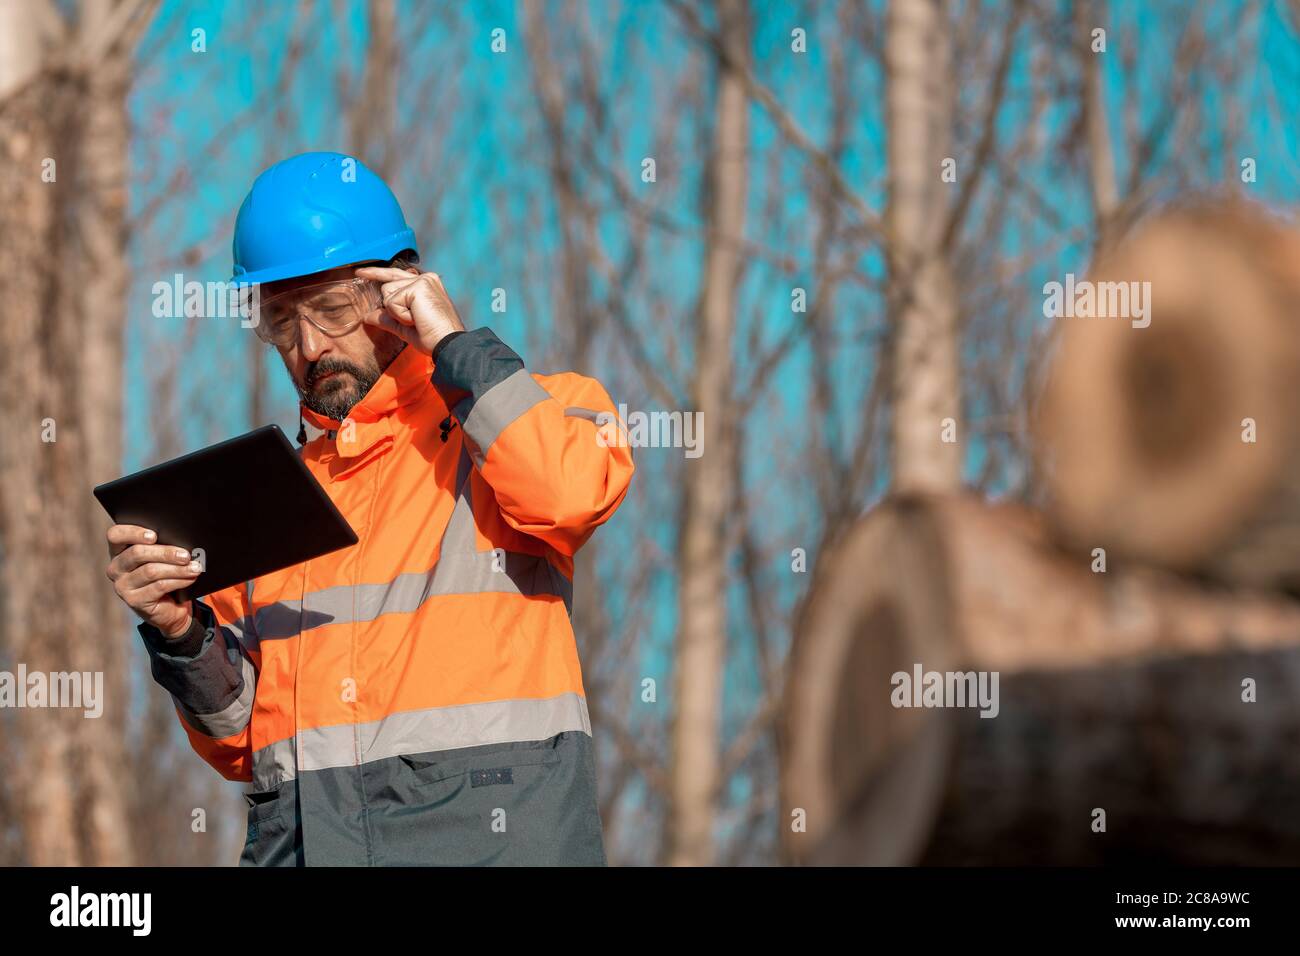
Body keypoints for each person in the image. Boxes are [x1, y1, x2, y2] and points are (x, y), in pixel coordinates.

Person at [104, 152, 634, 865]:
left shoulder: (521, 416)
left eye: (330, 310)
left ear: (400, 289)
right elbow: (239, 741)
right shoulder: (264, 498)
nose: (309, 346)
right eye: (281, 321)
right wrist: (179, 633)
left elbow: (564, 495)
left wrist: (454, 345)